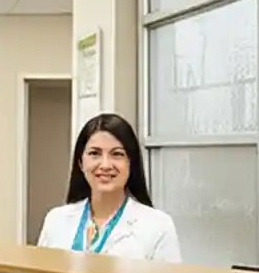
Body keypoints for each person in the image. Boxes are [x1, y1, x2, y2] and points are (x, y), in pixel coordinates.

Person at [37, 113, 181, 263]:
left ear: (131, 163)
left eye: (117, 154)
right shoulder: (56, 220)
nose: (105, 165)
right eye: (94, 153)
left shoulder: (158, 226)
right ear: (80, 162)